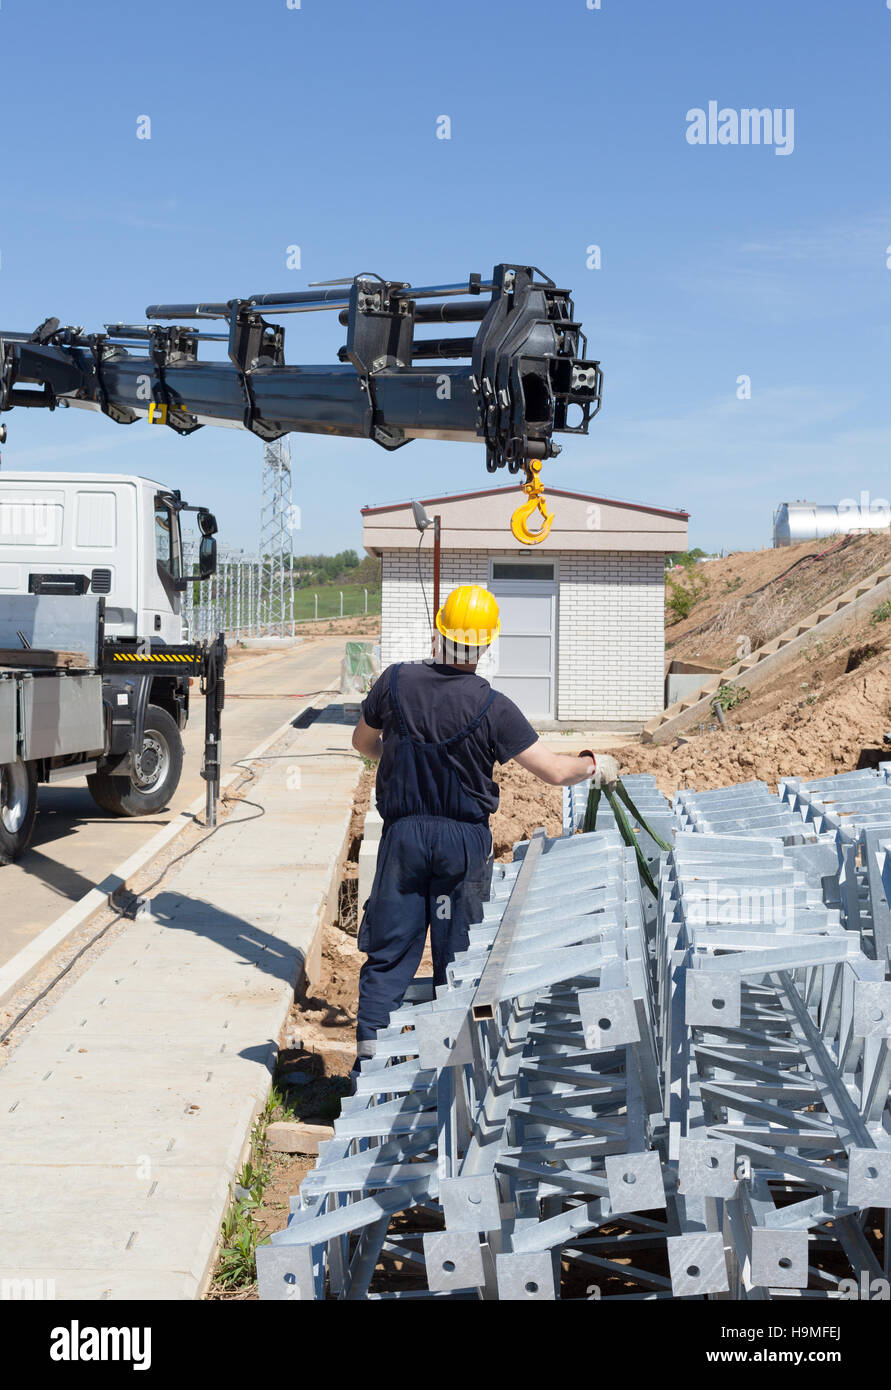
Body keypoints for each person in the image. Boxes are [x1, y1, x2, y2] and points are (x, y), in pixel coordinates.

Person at [350, 583, 620, 1078]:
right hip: (462, 846)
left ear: (440, 631)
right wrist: (595, 764)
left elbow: (363, 742)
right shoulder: (494, 706)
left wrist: (398, 754)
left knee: (389, 956)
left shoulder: (394, 683)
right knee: (459, 964)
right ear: (487, 643)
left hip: (404, 840)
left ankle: (369, 1074)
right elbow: (556, 772)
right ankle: (452, 1080)